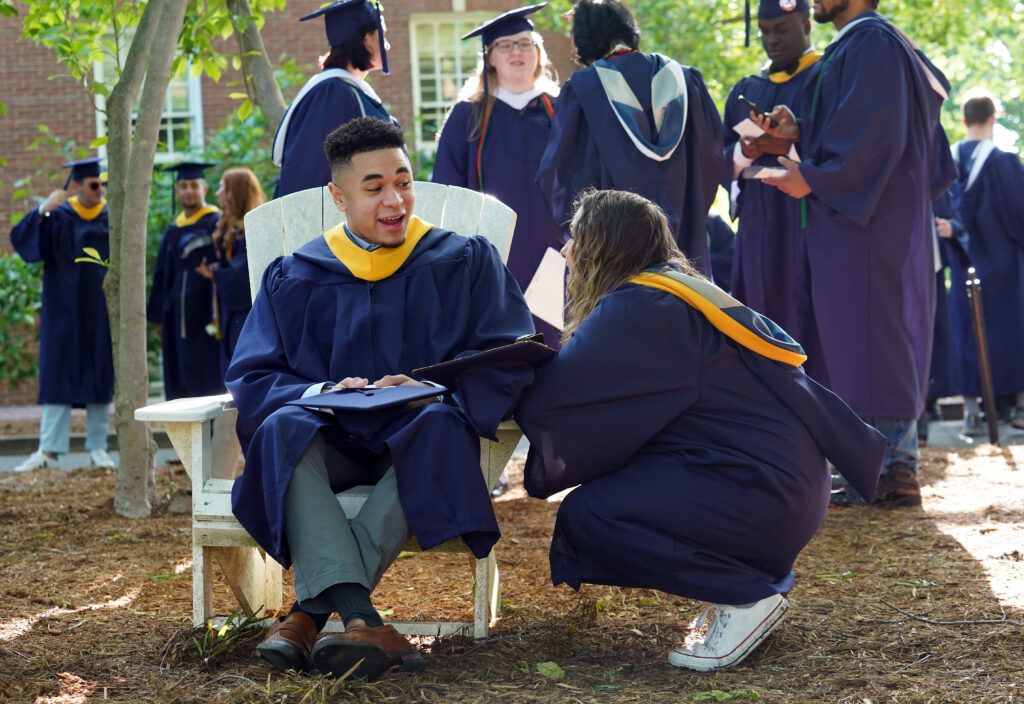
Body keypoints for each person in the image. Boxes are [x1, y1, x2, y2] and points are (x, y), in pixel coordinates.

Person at [515, 189, 884, 672]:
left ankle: (746, 595)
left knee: (590, 514)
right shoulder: (671, 292)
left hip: (758, 492)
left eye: (574, 238)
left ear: (601, 247)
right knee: (615, 490)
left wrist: (499, 375)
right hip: (780, 488)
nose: (565, 252)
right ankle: (740, 580)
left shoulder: (641, 307)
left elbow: (563, 394)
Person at [225, 117, 534, 679]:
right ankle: (362, 618)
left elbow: (507, 354)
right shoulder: (295, 275)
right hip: (332, 446)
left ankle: (307, 616)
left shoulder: (464, 260)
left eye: (404, 181)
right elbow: (254, 373)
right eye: (374, 187)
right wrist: (320, 392)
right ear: (338, 196)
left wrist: (426, 388)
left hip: (414, 444)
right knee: (280, 429)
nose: (395, 200)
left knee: (441, 425)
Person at [753, 0, 956, 506]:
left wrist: (814, 177)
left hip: (865, 221)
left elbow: (875, 136)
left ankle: (893, 468)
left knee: (875, 336)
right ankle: (880, 465)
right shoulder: (871, 42)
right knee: (863, 336)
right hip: (866, 218)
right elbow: (863, 124)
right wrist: (799, 132)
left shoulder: (872, 41)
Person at [535, 0, 723, 274]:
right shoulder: (685, 81)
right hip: (683, 247)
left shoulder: (584, 89)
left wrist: (576, 235)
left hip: (611, 252)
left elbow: (557, 174)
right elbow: (711, 161)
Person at [433, 3, 562, 346]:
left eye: (524, 43)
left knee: (560, 338)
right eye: (505, 46)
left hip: (559, 251)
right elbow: (447, 190)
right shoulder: (467, 117)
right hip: (494, 252)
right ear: (490, 57)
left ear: (538, 52)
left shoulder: (562, 110)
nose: (516, 52)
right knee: (504, 344)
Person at [722, 0, 821, 348]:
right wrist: (745, 150)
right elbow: (719, 158)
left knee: (807, 322)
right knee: (758, 322)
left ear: (806, 25)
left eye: (782, 29)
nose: (771, 39)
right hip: (757, 226)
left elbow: (841, 147)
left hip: (807, 222)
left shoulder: (825, 80)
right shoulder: (744, 91)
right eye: (765, 32)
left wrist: (788, 145)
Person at [10, 157, 115, 472]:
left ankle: (98, 449)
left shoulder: (111, 216)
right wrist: (43, 210)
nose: (100, 191)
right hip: (62, 309)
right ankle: (49, 450)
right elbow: (24, 243)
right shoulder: (58, 216)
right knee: (58, 373)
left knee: (99, 372)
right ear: (78, 187)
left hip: (99, 309)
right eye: (94, 185)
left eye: (102, 185)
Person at [947, 89, 1024, 431]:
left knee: (966, 330)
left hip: (963, 263)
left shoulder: (945, 165)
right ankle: (1018, 406)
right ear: (992, 119)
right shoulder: (1005, 163)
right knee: (1008, 329)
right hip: (1004, 263)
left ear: (964, 120)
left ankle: (971, 412)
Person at [272, 0, 395, 198]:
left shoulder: (349, 90)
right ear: (365, 40)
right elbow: (315, 177)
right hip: (333, 224)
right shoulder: (332, 94)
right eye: (381, 34)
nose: (387, 46)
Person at [146, 162, 223, 400]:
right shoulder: (173, 229)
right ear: (177, 191)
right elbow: (162, 272)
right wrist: (159, 315)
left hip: (207, 309)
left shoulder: (216, 222)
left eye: (194, 185)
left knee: (209, 376)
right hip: (176, 312)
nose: (188, 190)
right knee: (180, 374)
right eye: (183, 186)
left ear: (204, 189)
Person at [194, 167, 267, 376]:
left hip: (247, 316)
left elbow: (242, 275)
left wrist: (213, 274)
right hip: (231, 314)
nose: (217, 195)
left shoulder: (254, 228)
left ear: (236, 192)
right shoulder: (230, 227)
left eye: (222, 189)